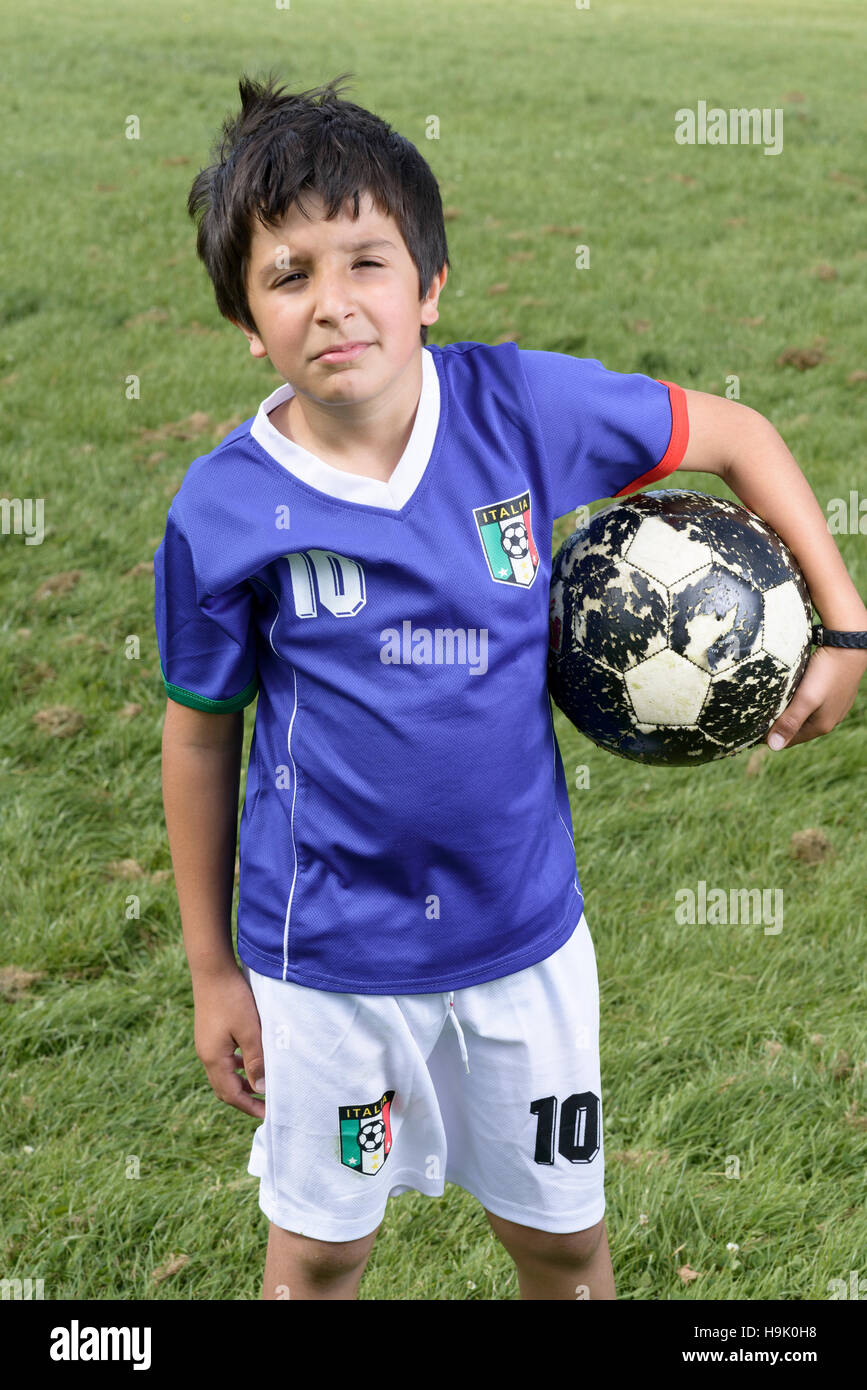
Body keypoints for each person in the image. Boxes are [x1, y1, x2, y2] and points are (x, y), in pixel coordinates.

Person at [155, 71, 867, 1301]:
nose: (333, 303)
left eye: (366, 261)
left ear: (430, 284)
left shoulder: (518, 410)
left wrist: (846, 630)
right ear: (246, 322)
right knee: (319, 1257)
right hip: (324, 955)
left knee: (563, 1246)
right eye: (288, 276)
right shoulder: (224, 510)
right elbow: (202, 737)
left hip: (523, 938)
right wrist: (215, 970)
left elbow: (740, 433)